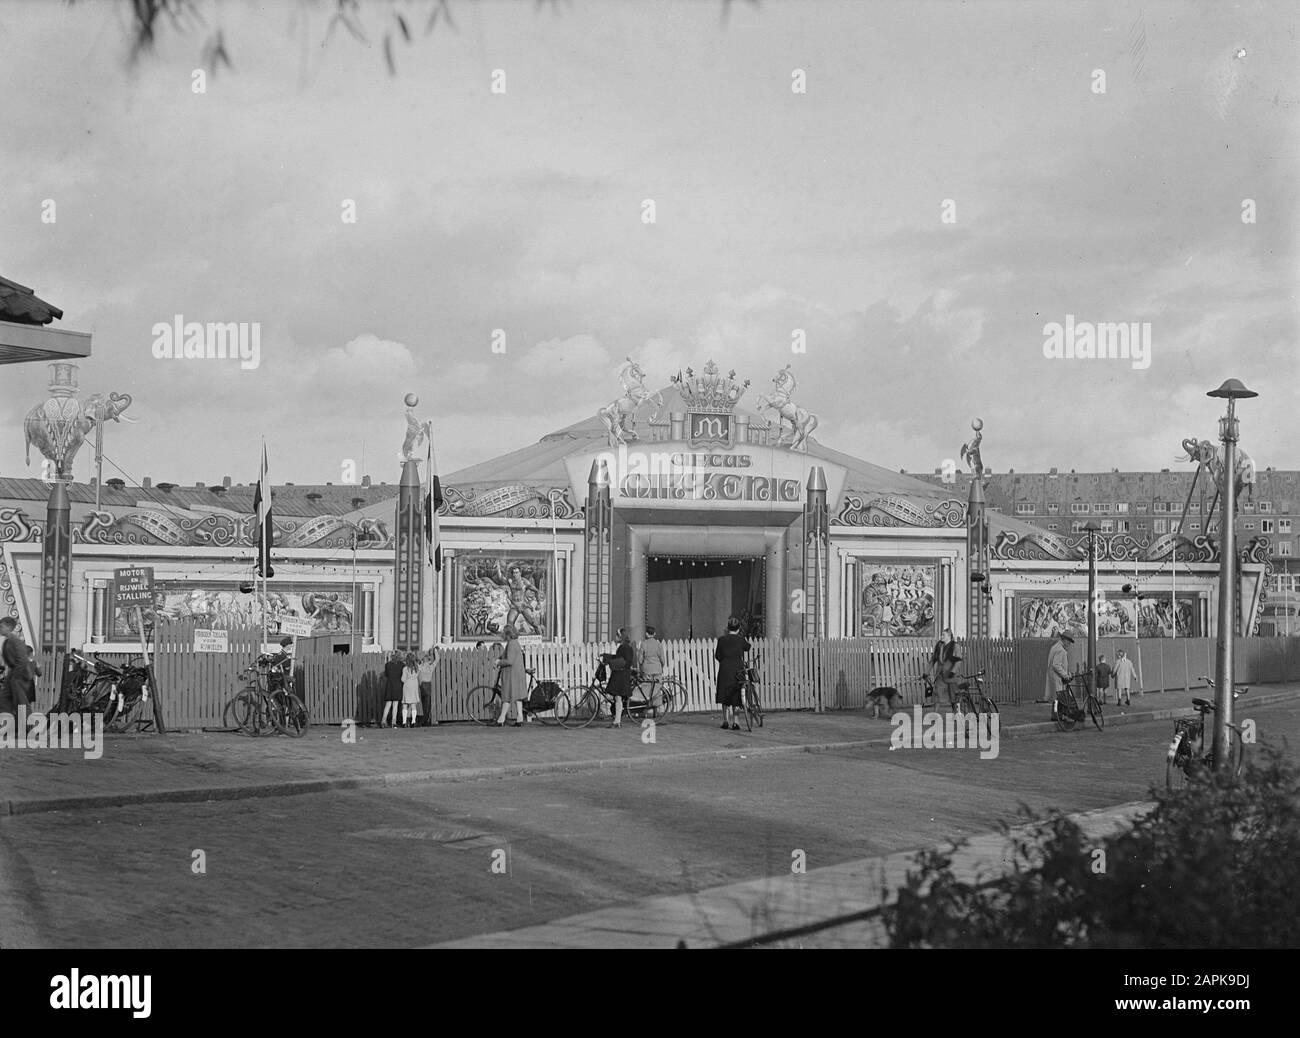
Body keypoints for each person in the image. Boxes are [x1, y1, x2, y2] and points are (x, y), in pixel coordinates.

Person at [715, 616, 750, 731]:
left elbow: (717, 656)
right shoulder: (740, 640)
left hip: (725, 669)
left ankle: (725, 721)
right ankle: (735, 722)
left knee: (725, 694)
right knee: (736, 696)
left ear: (727, 628)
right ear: (738, 628)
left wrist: (725, 661)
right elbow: (748, 647)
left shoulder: (721, 640)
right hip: (737, 670)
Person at [494, 625, 528, 727]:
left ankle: (501, 719)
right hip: (516, 674)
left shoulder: (512, 644)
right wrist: (500, 658)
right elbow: (506, 655)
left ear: (507, 634)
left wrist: (499, 662)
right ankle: (520, 718)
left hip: (512, 675)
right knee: (517, 697)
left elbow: (510, 660)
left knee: (506, 696)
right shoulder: (514, 643)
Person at [0, 617, 34, 717]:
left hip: (19, 676)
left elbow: (23, 661)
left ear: (9, 627)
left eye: (2, 626)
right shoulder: (7, 642)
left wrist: (16, 676)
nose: (0, 629)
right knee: (3, 700)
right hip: (12, 675)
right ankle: (8, 723)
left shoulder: (15, 641)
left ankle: (32, 727)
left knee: (21, 703)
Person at [603, 627, 635, 728]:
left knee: (617, 697)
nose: (615, 637)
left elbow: (625, 661)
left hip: (620, 674)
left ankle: (617, 721)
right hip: (622, 674)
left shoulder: (623, 647)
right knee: (617, 697)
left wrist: (611, 661)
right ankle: (617, 720)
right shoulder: (626, 647)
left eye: (617, 635)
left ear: (621, 636)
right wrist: (607, 656)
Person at [928, 627, 961, 709]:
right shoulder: (939, 646)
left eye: (943, 635)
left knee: (954, 698)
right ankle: (934, 717)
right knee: (937, 696)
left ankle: (956, 716)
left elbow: (958, 660)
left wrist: (953, 671)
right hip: (940, 675)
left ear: (949, 636)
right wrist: (926, 672)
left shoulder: (955, 646)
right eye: (941, 635)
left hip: (951, 676)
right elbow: (933, 660)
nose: (941, 636)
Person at [639, 624, 666, 718]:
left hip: (647, 669)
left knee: (648, 689)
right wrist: (661, 665)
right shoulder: (658, 644)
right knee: (657, 689)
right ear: (654, 634)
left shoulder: (644, 644)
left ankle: (648, 709)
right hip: (657, 668)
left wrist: (641, 666)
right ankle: (657, 709)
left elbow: (640, 659)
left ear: (646, 634)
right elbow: (662, 658)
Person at [1043, 631, 1074, 709]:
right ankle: (1057, 716)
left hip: (1053, 677)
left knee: (1056, 699)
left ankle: (1055, 715)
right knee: (1059, 699)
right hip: (1057, 678)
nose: (1069, 644)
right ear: (1065, 640)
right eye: (1069, 641)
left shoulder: (1055, 647)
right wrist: (1066, 675)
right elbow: (1056, 665)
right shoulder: (1061, 650)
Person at [380, 650, 404, 728]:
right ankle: (393, 722)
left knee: (388, 704)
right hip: (398, 686)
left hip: (389, 685)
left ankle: (383, 721)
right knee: (395, 705)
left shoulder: (387, 664)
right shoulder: (402, 665)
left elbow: (386, 674)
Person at [416, 649, 438, 726]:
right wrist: (435, 651)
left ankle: (421, 719)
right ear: (428, 661)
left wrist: (419, 661)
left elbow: (416, 664)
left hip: (421, 685)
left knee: (422, 703)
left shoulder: (420, 667)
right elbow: (437, 660)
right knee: (427, 703)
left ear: (423, 660)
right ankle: (426, 720)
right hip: (428, 684)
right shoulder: (430, 667)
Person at [400, 652, 421, 728]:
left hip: (407, 686)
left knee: (405, 704)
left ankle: (404, 722)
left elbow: (403, 679)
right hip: (414, 686)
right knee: (413, 705)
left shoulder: (405, 669)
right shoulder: (417, 667)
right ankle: (413, 721)